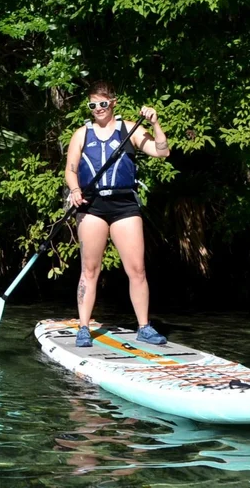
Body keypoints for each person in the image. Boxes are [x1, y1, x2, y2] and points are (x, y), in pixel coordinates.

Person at [64, 81, 170, 347]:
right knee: (90, 270)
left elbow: (162, 152)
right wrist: (75, 190)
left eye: (102, 103)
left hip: (124, 205)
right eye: (93, 105)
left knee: (137, 269)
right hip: (92, 206)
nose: (98, 109)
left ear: (113, 103)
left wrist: (155, 124)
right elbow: (70, 170)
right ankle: (84, 328)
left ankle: (144, 327)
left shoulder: (130, 129)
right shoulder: (81, 134)